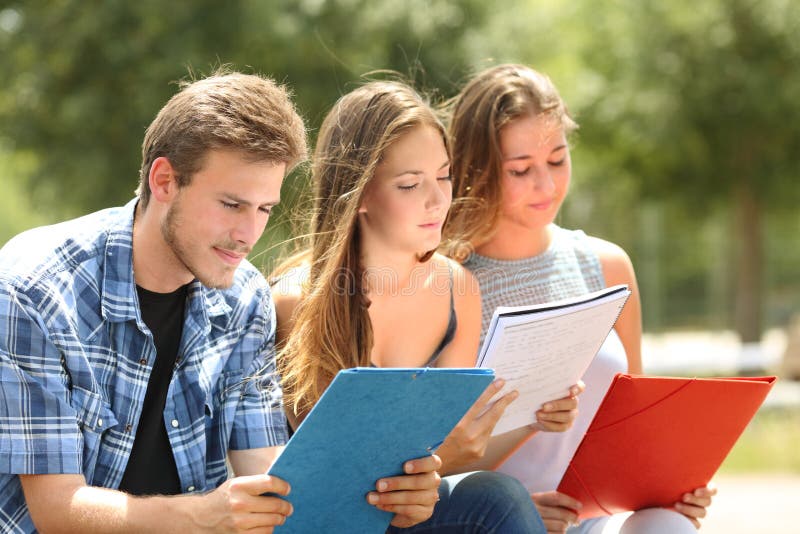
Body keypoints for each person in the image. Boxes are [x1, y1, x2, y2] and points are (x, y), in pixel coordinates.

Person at [0, 70, 444, 533]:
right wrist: (204, 515)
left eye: (264, 209)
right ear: (165, 180)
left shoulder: (246, 297)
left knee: (483, 502)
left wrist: (389, 493)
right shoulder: (34, 290)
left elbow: (267, 474)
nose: (248, 235)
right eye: (232, 205)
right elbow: (55, 510)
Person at [271, 79, 558, 532]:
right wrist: (439, 464)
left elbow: (452, 457)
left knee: (496, 495)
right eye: (409, 185)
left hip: (415, 513)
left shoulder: (457, 287)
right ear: (360, 194)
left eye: (443, 176)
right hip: (329, 518)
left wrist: (529, 421)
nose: (437, 199)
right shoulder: (297, 302)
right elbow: (326, 476)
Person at [442, 63, 717, 533]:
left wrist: (674, 488)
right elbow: (432, 456)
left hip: (595, 519)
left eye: (557, 159)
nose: (547, 186)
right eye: (521, 169)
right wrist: (515, 508)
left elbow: (635, 426)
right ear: (477, 169)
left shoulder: (607, 266)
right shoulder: (446, 283)